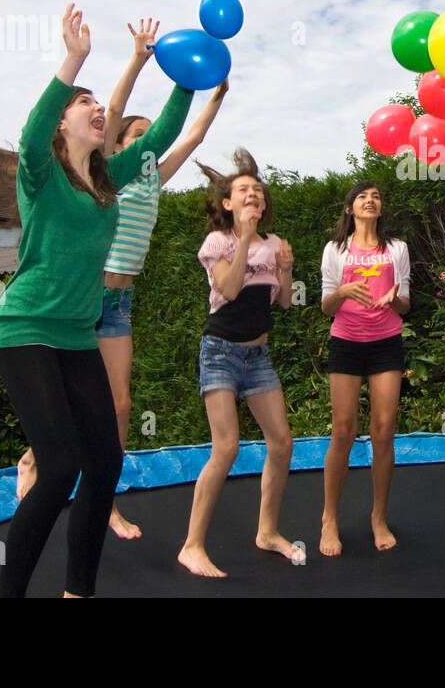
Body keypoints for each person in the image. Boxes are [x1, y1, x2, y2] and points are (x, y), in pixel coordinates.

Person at [0, 3, 193, 597]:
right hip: (26, 329)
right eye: (88, 106)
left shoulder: (108, 182)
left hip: (78, 334)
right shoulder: (40, 173)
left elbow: (158, 138)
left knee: (104, 463)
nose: (99, 110)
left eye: (97, 104)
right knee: (57, 468)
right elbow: (32, 130)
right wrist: (73, 62)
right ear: (64, 125)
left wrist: (185, 77)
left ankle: (79, 591)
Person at [16, 18, 228, 540]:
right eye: (135, 136)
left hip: (117, 302)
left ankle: (102, 499)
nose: (142, 143)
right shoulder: (104, 170)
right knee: (65, 407)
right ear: (117, 142)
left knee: (119, 404)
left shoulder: (152, 173)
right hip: (75, 299)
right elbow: (109, 113)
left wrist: (208, 88)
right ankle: (34, 461)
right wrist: (137, 60)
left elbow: (187, 134)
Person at [178, 149, 303, 577]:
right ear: (228, 203)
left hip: (258, 355)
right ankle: (192, 545)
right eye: (243, 191)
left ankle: (267, 531)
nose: (253, 194)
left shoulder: (276, 244)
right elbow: (229, 291)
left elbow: (284, 303)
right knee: (226, 446)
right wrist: (246, 237)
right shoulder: (219, 241)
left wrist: (285, 270)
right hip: (221, 352)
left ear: (264, 203)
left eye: (257, 191)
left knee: (282, 443)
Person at [318, 181, 411, 555]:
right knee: (343, 431)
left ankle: (378, 516)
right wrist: (342, 292)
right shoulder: (335, 250)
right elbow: (326, 305)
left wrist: (395, 300)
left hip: (386, 343)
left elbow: (406, 301)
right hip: (346, 343)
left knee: (384, 430)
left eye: (376, 196)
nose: (370, 200)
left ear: (381, 207)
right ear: (349, 209)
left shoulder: (397, 248)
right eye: (362, 197)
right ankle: (329, 518)